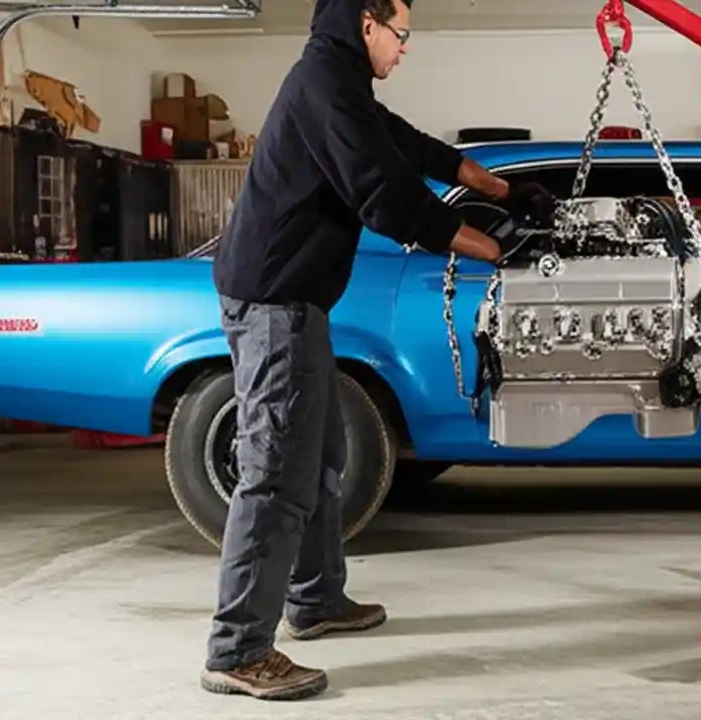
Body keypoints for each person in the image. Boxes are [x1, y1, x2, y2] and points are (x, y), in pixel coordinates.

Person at [202, 0, 554, 701]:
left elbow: (409, 147)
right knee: (275, 474)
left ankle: (316, 600)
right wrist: (494, 250)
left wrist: (504, 189)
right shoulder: (323, 86)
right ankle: (236, 649)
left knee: (324, 454)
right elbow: (385, 195)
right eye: (402, 34)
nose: (406, 48)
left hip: (296, 301)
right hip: (276, 302)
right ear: (367, 25)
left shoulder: (339, 85)